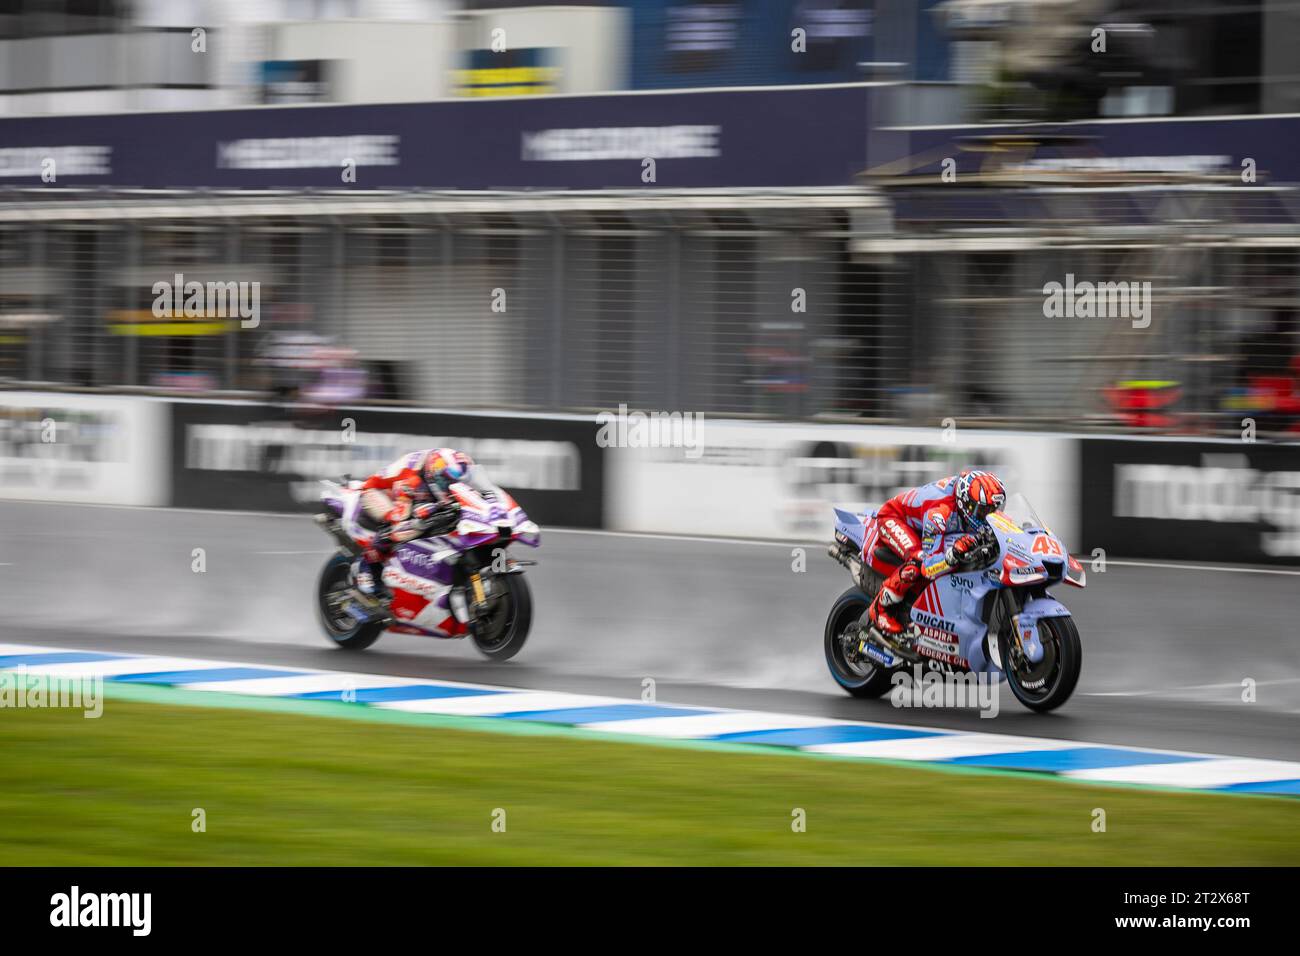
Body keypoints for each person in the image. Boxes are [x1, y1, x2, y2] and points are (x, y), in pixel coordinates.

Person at [861, 469, 1006, 641]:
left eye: (994, 510)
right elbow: (929, 567)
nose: (989, 516)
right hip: (894, 518)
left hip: (924, 522)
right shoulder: (939, 513)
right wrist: (952, 554)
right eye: (984, 511)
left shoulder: (969, 497)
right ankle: (880, 608)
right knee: (918, 561)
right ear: (965, 504)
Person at [350, 448, 490, 601]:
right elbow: (405, 517)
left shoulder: (447, 465)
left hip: (414, 491)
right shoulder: (412, 480)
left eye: (457, 481)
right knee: (400, 523)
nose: (452, 484)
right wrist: (430, 510)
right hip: (377, 491)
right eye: (448, 480)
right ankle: (366, 568)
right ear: (434, 475)